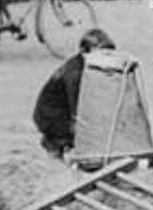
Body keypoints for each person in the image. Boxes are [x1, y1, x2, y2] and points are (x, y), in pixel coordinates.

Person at [32, 28, 117, 158]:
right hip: (52, 117)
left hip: (53, 113)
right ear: (84, 52)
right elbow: (76, 106)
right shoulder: (75, 73)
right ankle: (56, 143)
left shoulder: (84, 66)